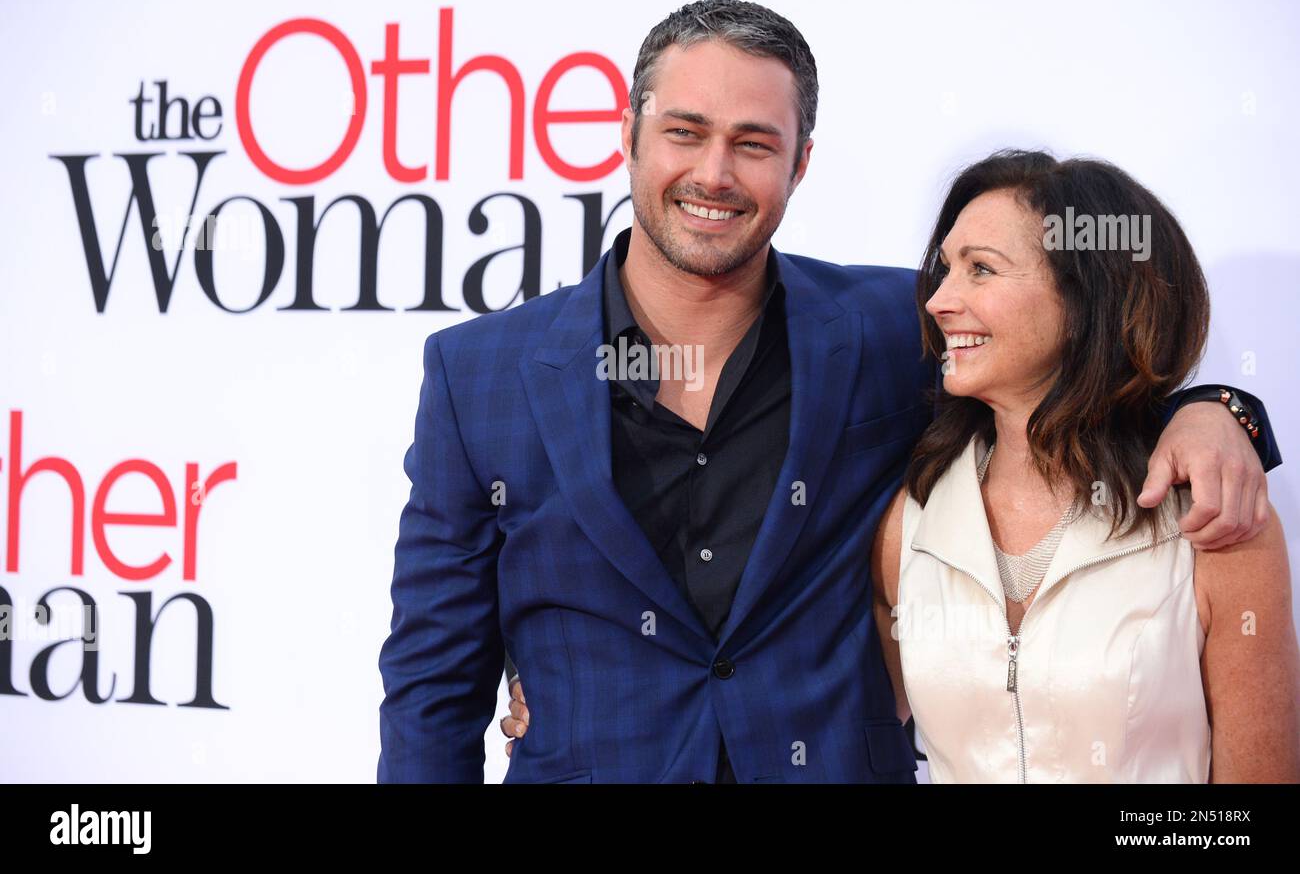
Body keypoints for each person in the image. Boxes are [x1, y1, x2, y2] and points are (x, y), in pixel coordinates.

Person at [380, 0, 1278, 784]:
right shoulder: (480, 374)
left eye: (754, 144)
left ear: (801, 162)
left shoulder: (897, 324)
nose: (715, 174)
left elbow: (1066, 365)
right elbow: (433, 685)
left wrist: (1214, 411)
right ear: (630, 136)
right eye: (685, 132)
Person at [498, 152, 1300, 783]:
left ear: (1090, 295)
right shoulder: (906, 520)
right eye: (945, 270)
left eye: (981, 270)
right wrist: (578, 687)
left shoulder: (1215, 523)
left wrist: (1219, 410)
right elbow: (796, 686)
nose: (940, 300)